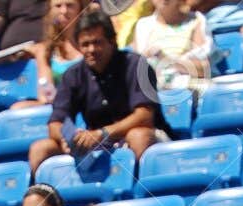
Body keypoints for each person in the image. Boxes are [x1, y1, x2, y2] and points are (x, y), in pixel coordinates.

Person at [30, 6, 161, 176]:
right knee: (40, 148)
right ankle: (46, 201)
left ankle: (142, 196)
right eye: (85, 44)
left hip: (143, 136)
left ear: (112, 41)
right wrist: (68, 138)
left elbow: (145, 116)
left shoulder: (137, 65)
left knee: (138, 136)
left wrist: (103, 133)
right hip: (94, 142)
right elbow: (55, 122)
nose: (91, 49)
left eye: (97, 42)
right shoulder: (73, 74)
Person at [130, 0, 211, 92]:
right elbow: (137, 70)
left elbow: (203, 69)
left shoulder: (197, 20)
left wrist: (166, 60)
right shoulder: (143, 25)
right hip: (154, 90)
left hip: (188, 89)